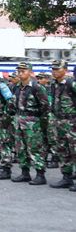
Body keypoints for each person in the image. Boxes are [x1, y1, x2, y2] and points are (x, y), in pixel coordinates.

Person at [11, 62, 51, 185]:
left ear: (30, 72)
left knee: (35, 148)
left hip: (32, 122)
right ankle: (25, 172)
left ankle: (40, 174)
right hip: (19, 120)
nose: (21, 72)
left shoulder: (37, 87)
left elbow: (45, 106)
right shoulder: (17, 87)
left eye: (24, 70)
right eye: (19, 70)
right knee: (20, 148)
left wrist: (39, 121)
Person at [47, 60, 76, 190]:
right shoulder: (54, 84)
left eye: (57, 69)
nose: (54, 71)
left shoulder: (71, 83)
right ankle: (66, 177)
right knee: (63, 151)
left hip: (72, 122)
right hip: (59, 122)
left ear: (65, 69)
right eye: (53, 69)